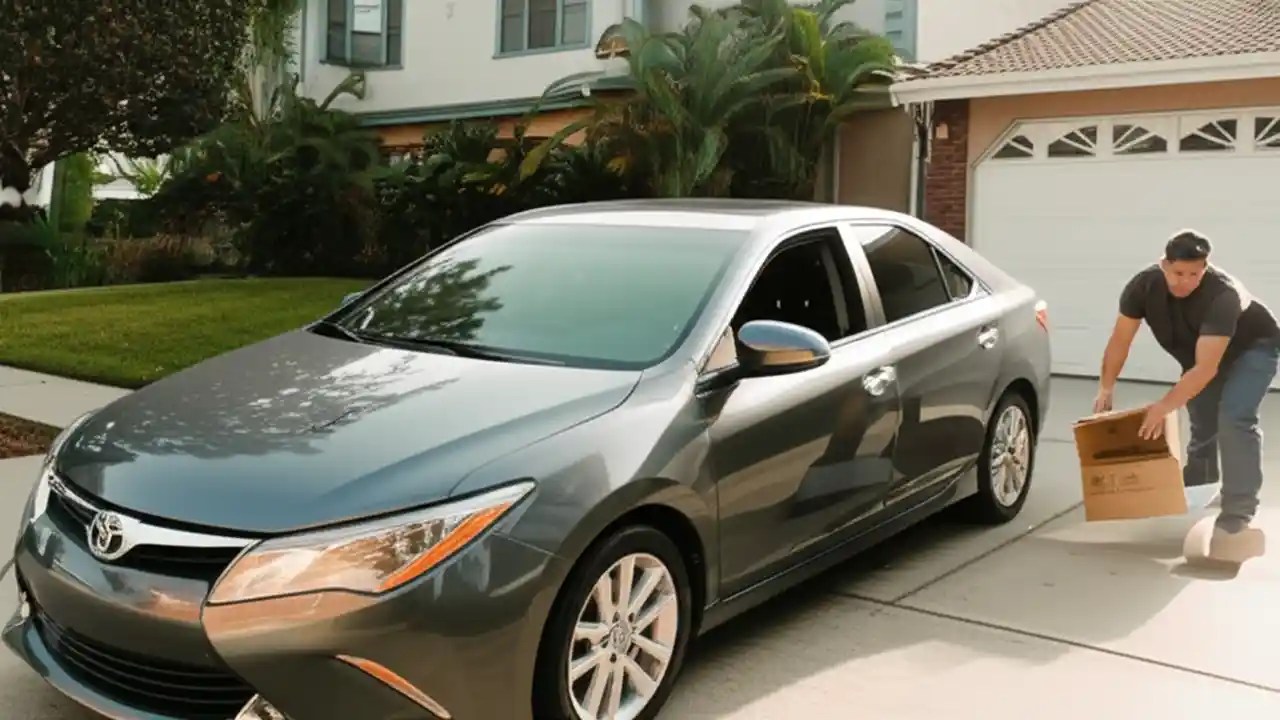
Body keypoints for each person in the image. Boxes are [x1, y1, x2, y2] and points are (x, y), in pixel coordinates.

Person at [1094, 230, 1280, 561]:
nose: (1187, 281)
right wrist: (1106, 387)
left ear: (1205, 268)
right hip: (1203, 355)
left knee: (1234, 417)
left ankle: (1237, 515)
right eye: (1179, 273)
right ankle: (1200, 485)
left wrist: (1163, 407)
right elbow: (1121, 339)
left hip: (1254, 348)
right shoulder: (1143, 287)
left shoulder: (1223, 296)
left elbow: (1206, 369)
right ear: (1164, 264)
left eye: (1196, 273)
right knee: (1202, 415)